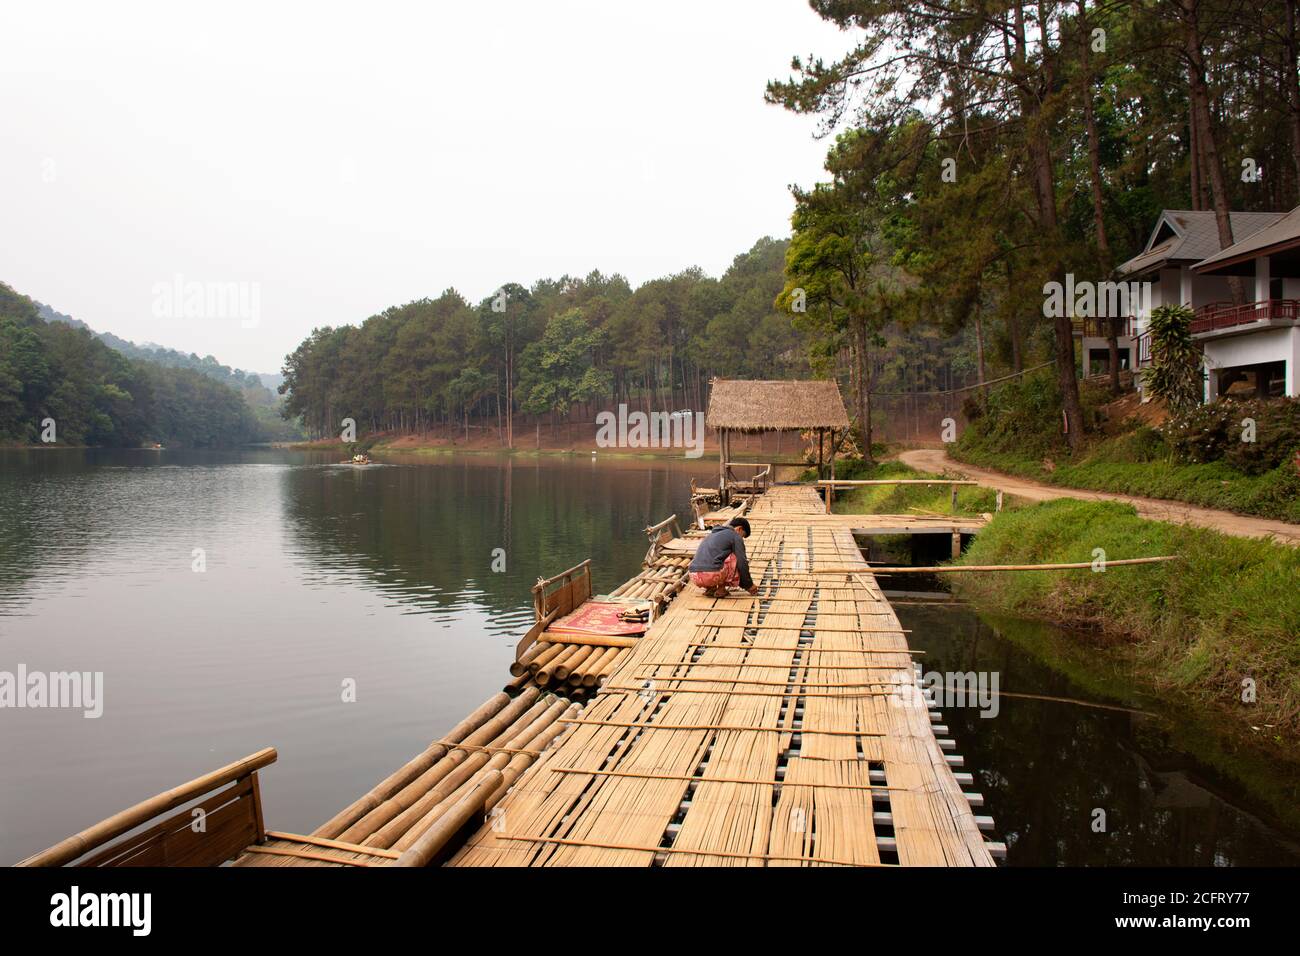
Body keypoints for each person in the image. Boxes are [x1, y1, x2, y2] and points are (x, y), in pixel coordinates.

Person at [688, 517, 758, 598]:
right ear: (739, 529)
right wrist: (749, 585)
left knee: (716, 556)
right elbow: (742, 563)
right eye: (742, 536)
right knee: (733, 557)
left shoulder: (711, 534)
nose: (741, 538)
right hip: (712, 576)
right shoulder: (735, 536)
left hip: (694, 576)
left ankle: (711, 588)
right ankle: (721, 589)